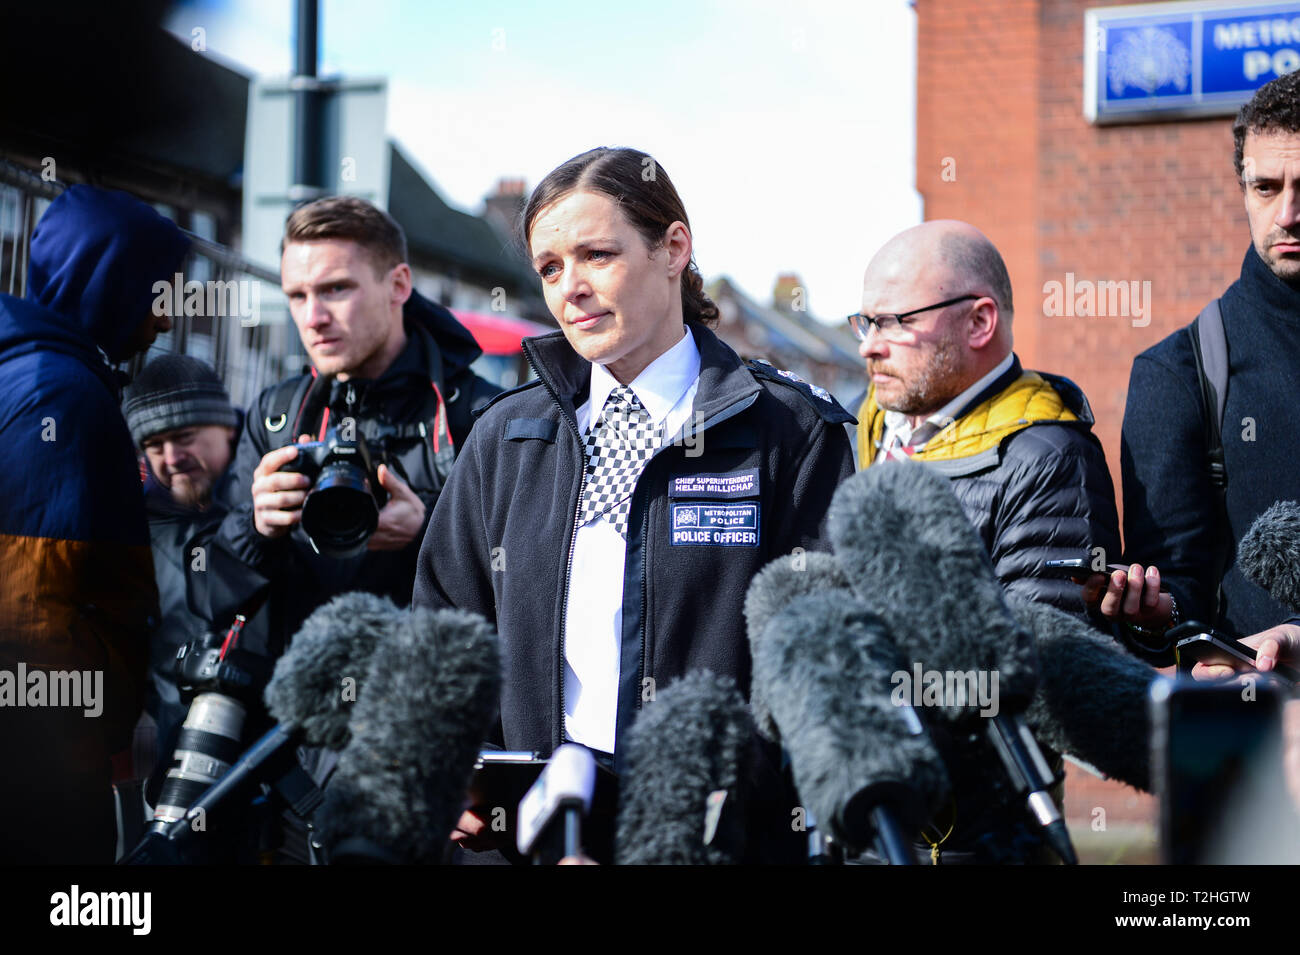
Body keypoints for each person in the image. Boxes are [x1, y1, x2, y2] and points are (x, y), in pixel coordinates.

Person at [411, 147, 856, 860]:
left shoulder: (789, 432)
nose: (571, 288)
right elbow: (442, 631)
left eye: (596, 254)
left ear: (673, 247)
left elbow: (818, 664)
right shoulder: (506, 435)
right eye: (551, 268)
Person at [0, 184, 190, 863]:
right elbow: (31, 609)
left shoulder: (25, 368)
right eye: (160, 294)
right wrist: (94, 733)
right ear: (112, 281)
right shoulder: (64, 394)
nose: (166, 321)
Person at [1104, 69, 1300, 660]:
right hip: (1263, 734)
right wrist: (1154, 618)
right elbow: (1175, 597)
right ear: (1243, 190)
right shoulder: (1180, 374)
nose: (1289, 213)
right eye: (1267, 188)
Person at [850, 219, 1122, 618]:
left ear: (979, 323)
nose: (869, 347)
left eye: (894, 322)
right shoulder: (858, 425)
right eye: (867, 323)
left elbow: (1038, 661)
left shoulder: (1050, 463)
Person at [122, 355, 241, 764]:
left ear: (226, 428)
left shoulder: (273, 501)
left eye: (185, 436)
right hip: (180, 755)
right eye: (155, 445)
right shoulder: (138, 530)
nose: (171, 457)